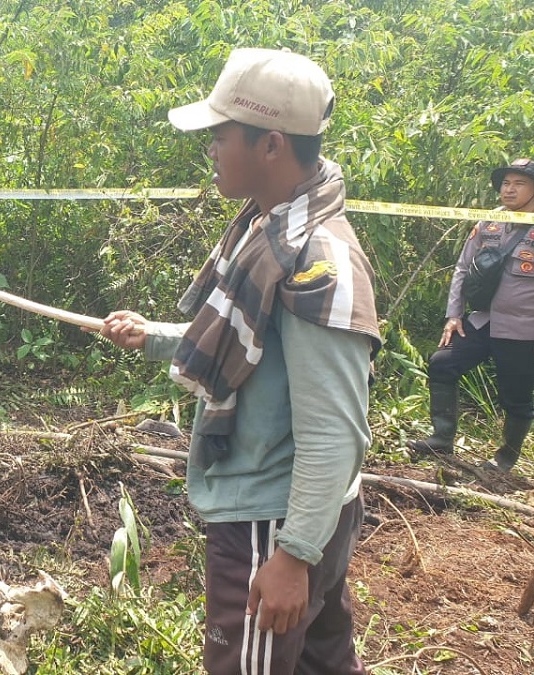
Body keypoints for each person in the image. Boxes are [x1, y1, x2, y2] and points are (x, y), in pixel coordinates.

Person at [92, 48, 380, 674]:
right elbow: (253, 346)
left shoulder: (315, 260)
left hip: (272, 523)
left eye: (221, 136)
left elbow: (336, 431)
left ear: (271, 144)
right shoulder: (272, 229)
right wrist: (157, 335)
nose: (213, 150)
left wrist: (294, 555)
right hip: (293, 512)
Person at [407, 159, 534, 471]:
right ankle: (442, 439)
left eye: (519, 183)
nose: (509, 188)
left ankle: (505, 460)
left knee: (515, 397)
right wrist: (454, 314)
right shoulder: (487, 222)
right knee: (442, 363)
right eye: (506, 183)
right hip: (482, 321)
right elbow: (463, 267)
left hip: (525, 329)